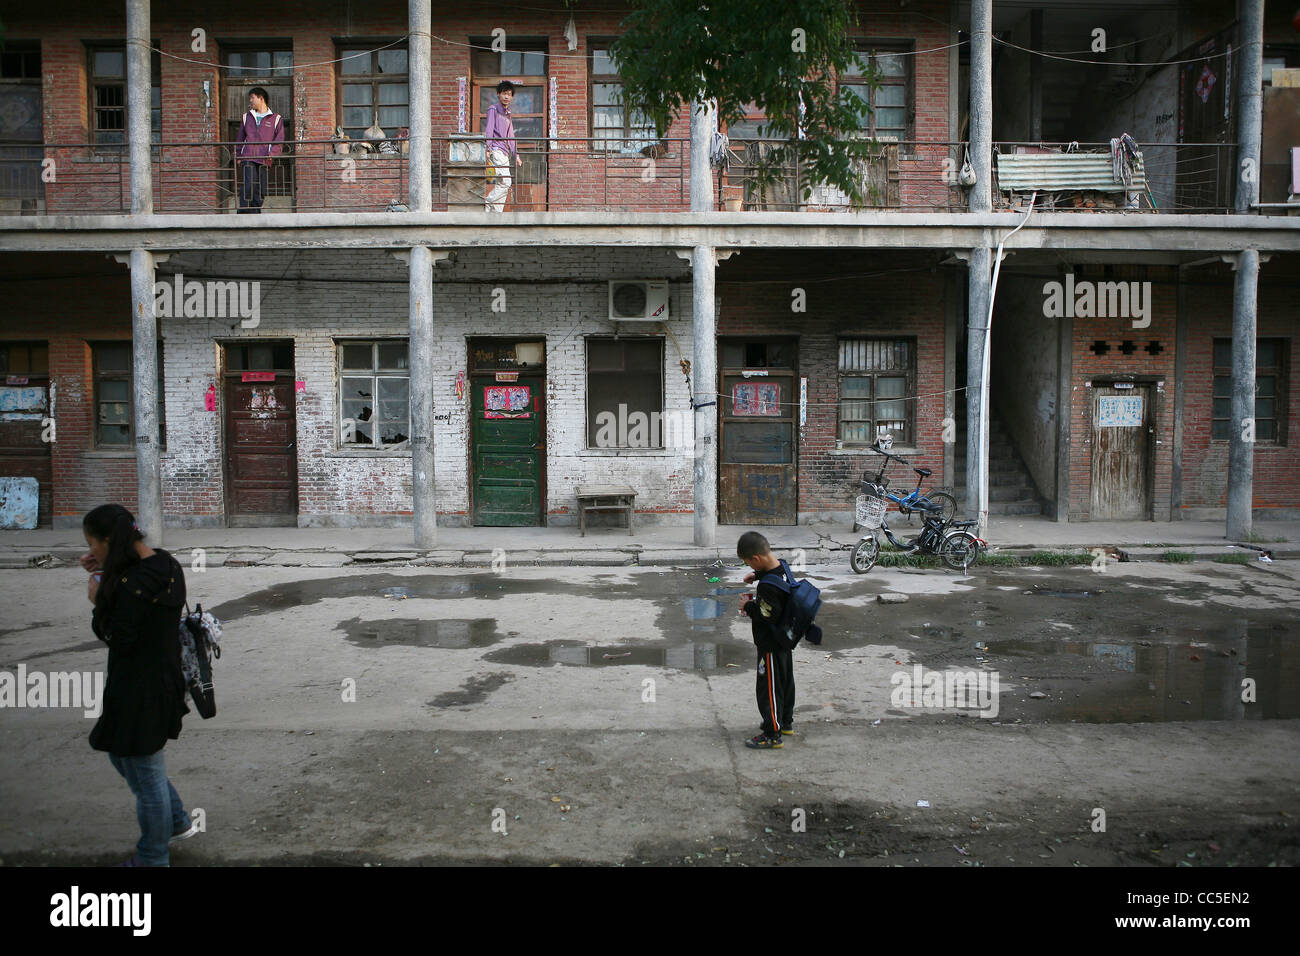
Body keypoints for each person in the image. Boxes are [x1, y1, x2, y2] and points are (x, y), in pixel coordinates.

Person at [81, 504, 198, 866]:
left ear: (108, 540)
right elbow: (139, 586)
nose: (92, 551)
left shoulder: (130, 587)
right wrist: (104, 570)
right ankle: (176, 821)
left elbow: (118, 636)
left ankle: (152, 858)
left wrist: (98, 597)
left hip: (139, 688)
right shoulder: (166, 564)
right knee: (124, 755)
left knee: (146, 777)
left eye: (94, 544)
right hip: (163, 679)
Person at [737, 531, 796, 750]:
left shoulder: (767, 587)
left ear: (756, 559)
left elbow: (767, 614)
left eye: (748, 564)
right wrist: (758, 576)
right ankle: (786, 722)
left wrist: (748, 607)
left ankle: (772, 734)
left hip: (769, 644)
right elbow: (774, 579)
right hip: (785, 641)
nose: (749, 568)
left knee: (768, 688)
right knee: (785, 683)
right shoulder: (782, 567)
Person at [235, 87, 284, 214]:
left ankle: (256, 213)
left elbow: (279, 139)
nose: (250, 101)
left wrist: (272, 154)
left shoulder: (276, 118)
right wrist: (238, 155)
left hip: (264, 157)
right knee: (249, 185)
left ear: (261, 98)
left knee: (260, 189)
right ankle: (244, 213)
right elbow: (240, 138)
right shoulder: (246, 117)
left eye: (252, 98)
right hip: (248, 156)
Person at [484, 80, 523, 212]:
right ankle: (488, 202)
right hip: (496, 149)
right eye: (504, 93)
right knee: (506, 182)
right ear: (498, 94)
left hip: (505, 153)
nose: (506, 97)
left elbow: (511, 135)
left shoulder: (508, 114)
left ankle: (496, 214)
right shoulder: (493, 109)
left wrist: (516, 155)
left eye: (509, 94)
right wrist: (488, 148)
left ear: (512, 97)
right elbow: (489, 130)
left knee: (503, 183)